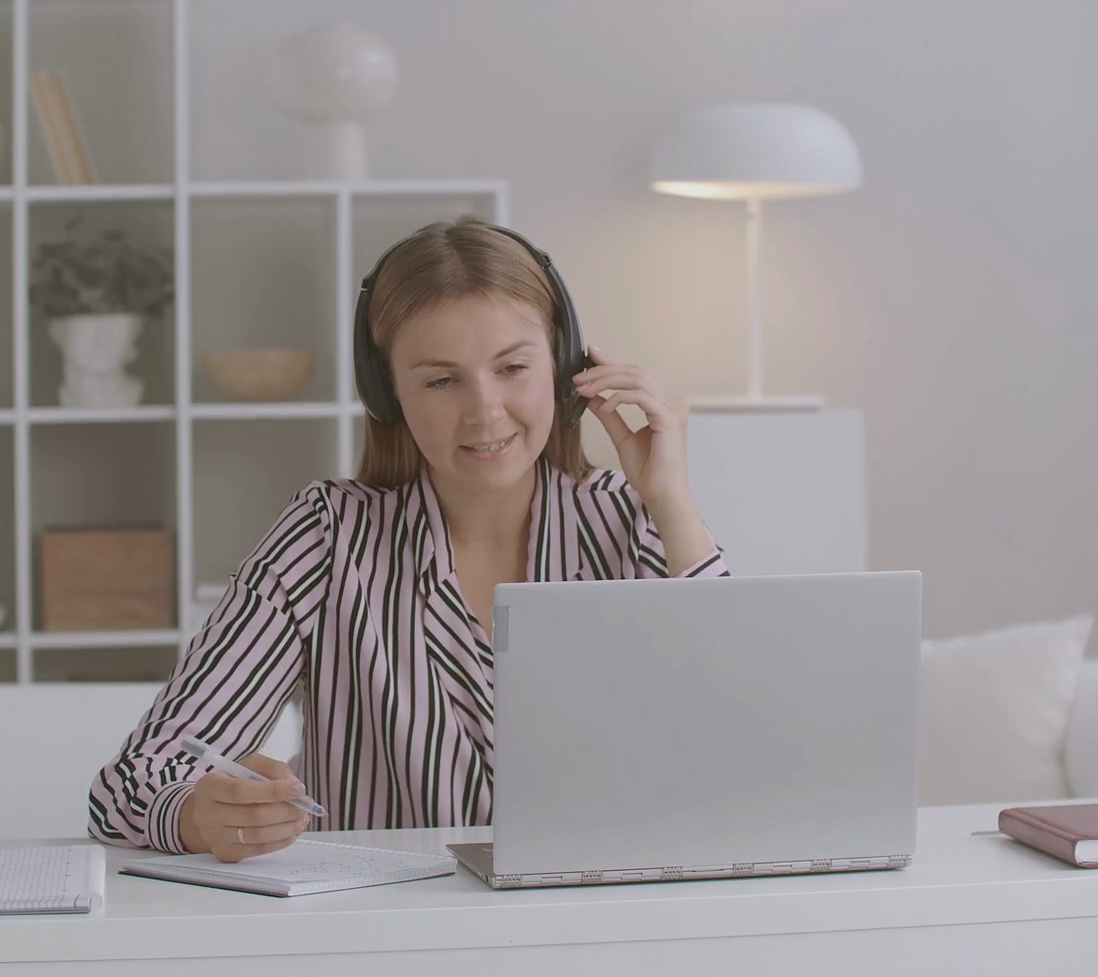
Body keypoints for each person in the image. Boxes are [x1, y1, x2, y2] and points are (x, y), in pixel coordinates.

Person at [87, 216, 730, 861]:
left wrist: (671, 500)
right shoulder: (325, 539)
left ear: (564, 366)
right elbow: (127, 788)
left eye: (512, 367)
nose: (485, 411)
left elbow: (746, 748)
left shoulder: (631, 527)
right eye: (441, 380)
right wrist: (198, 815)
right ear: (387, 394)